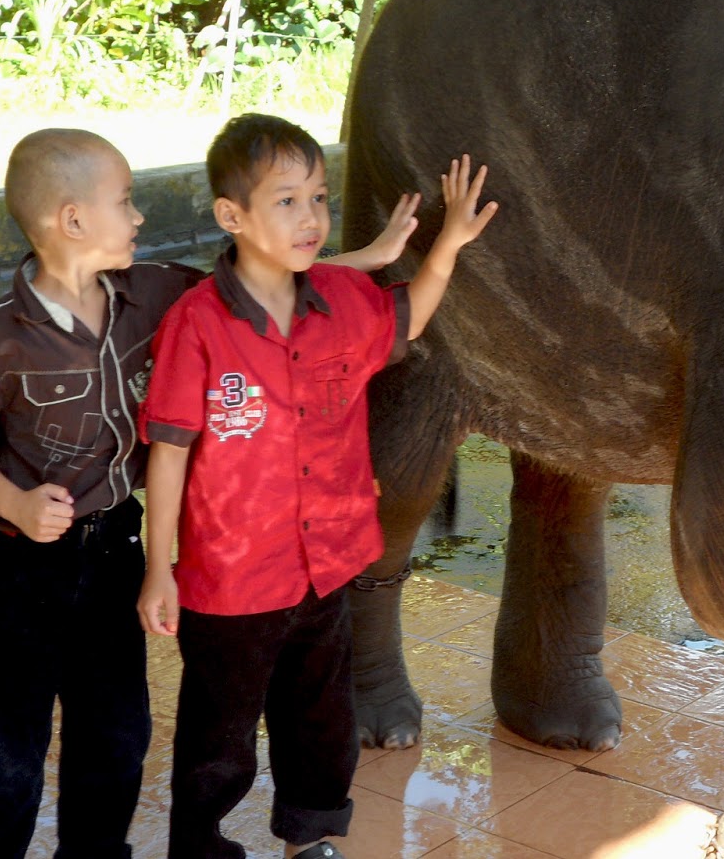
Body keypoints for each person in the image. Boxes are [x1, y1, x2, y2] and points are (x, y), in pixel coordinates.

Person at [0, 127, 416, 859]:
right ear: (73, 220)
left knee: (115, 731)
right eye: (125, 202)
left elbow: (264, 274)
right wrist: (18, 503)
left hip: (115, 543)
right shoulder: (0, 336)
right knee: (4, 745)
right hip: (17, 566)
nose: (139, 217)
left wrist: (366, 258)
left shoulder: (150, 291)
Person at [136, 113, 496, 859]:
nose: (311, 218)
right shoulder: (197, 324)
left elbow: (407, 320)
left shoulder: (339, 297)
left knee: (321, 718)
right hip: (228, 582)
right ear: (232, 215)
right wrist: (158, 568)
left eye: (320, 199)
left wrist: (448, 247)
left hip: (326, 564)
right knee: (219, 735)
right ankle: (199, 844)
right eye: (288, 200)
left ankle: (312, 835)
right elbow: (167, 453)